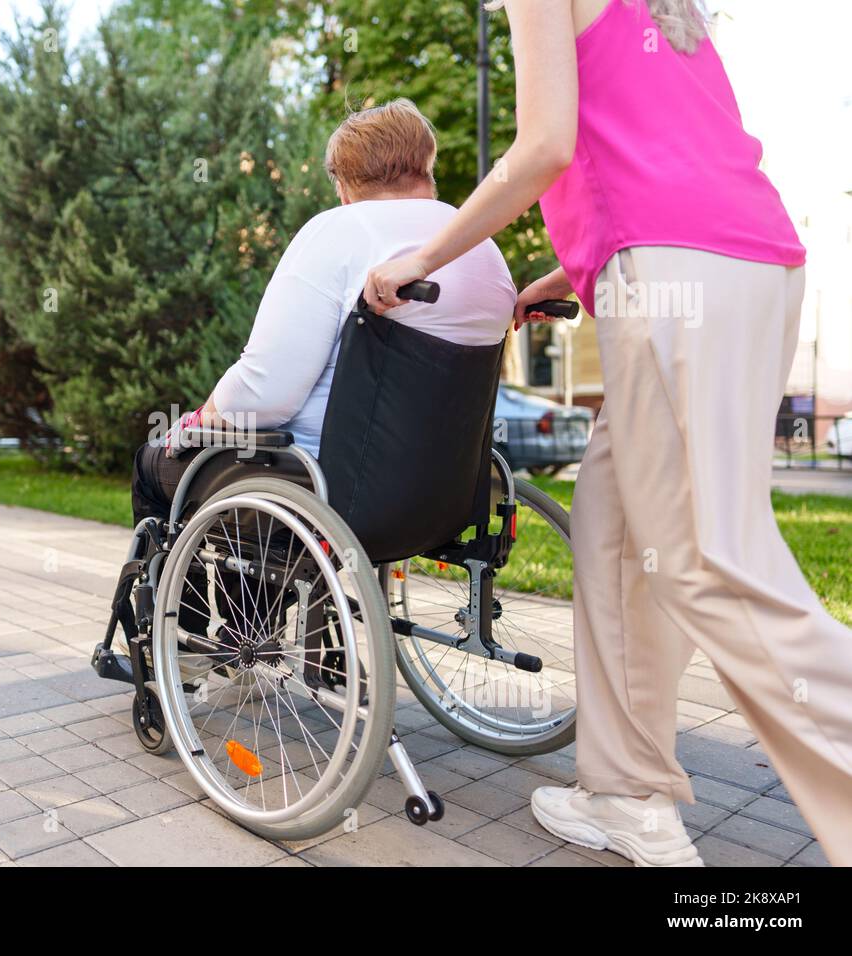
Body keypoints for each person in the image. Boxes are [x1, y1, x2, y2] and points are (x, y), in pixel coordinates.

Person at [363, 0, 850, 867]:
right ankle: (627, 794)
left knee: (707, 559)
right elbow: (662, 148)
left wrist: (421, 258)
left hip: (676, 277)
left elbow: (543, 146)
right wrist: (567, 270)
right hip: (743, 261)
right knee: (620, 534)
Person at [132, 98, 516, 526]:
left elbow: (265, 395)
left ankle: (202, 595)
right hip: (446, 496)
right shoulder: (482, 247)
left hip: (325, 485)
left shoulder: (338, 231)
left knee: (154, 465)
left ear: (343, 184)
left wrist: (200, 420)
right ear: (428, 166)